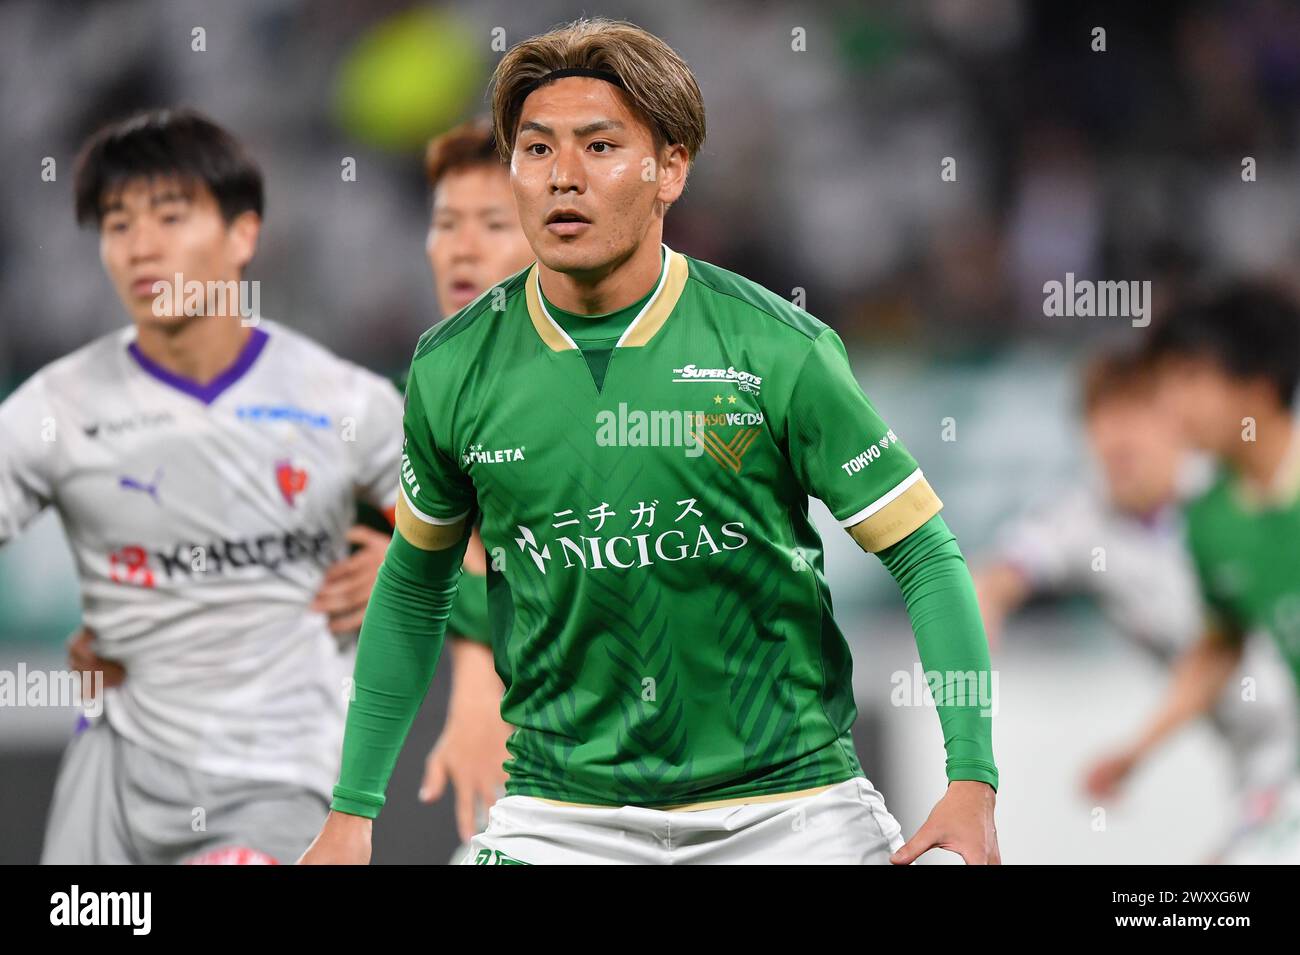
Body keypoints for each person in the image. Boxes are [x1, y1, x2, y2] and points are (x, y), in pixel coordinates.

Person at [301, 18, 999, 865]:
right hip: (561, 818)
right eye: (535, 149)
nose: (563, 177)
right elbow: (414, 588)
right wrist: (353, 808)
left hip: (791, 810)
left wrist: (971, 777)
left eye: (599, 147)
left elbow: (925, 554)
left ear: (671, 167)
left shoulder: (778, 349)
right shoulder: (451, 369)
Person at [0, 109, 404, 864]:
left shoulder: (342, 400)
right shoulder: (57, 409)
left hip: (280, 781)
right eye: (117, 224)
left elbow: (491, 535)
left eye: (170, 215)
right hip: (114, 787)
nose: (139, 246)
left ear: (243, 233)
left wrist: (409, 568)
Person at [975, 349, 1296, 854]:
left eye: (1136, 415)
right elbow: (998, 576)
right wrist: (981, 615)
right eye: (1100, 419)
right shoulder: (1080, 524)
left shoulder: (1227, 490)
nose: (1118, 437)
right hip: (1258, 765)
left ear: (1175, 421)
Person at [1085, 283, 1300, 863]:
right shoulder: (1211, 521)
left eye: (1189, 379)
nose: (1171, 404)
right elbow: (1222, 643)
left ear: (1256, 383)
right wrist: (1138, 751)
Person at [415, 118, 533, 843]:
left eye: (493, 223)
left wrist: (475, 680)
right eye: (445, 223)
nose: (461, 247)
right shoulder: (402, 405)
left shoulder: (625, 396)